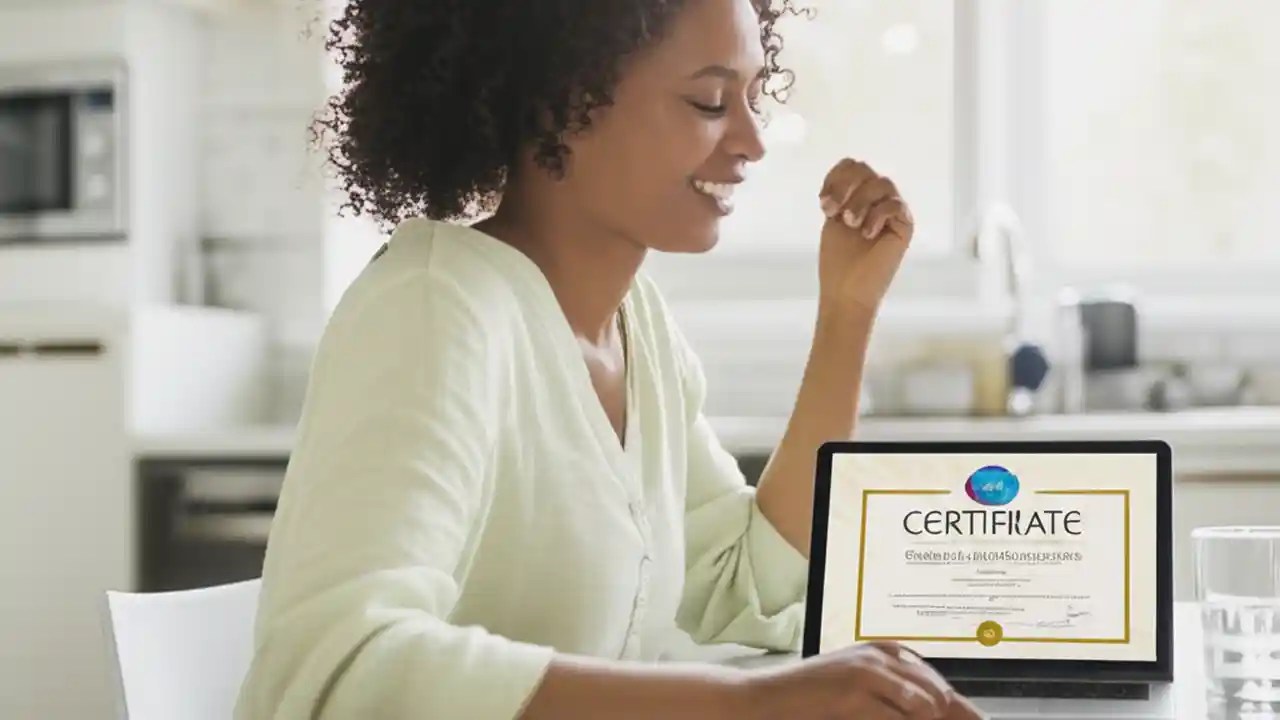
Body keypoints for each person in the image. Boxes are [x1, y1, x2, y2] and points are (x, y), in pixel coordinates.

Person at [235, 0, 984, 718]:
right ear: (560, 98)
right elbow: (341, 668)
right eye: (709, 102)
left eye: (754, 96)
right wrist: (750, 706)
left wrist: (848, 312)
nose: (753, 141)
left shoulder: (635, 327)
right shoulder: (435, 309)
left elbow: (747, 584)